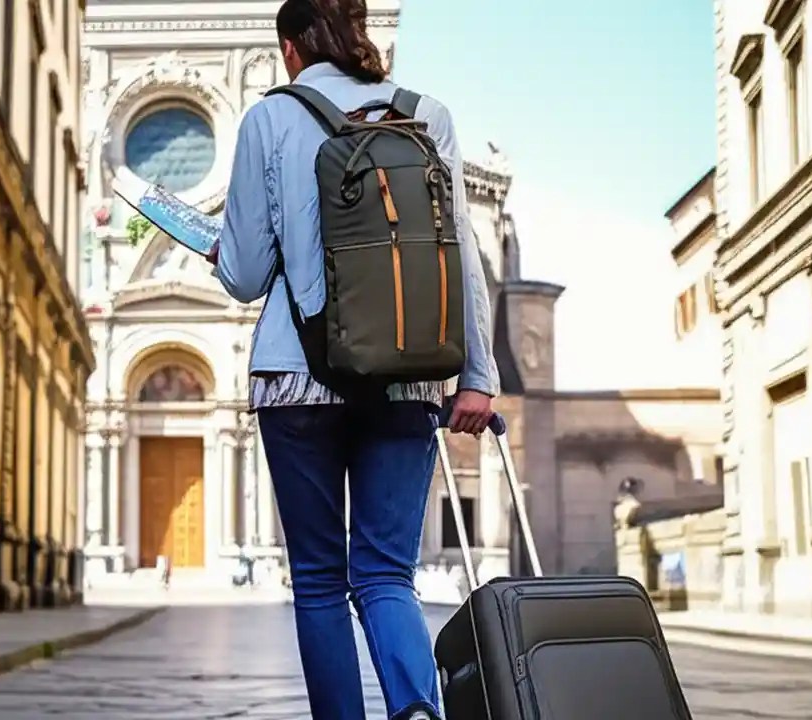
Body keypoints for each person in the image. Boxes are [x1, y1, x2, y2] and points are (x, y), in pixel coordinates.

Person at [206, 1, 500, 718]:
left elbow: (245, 276)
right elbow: (462, 257)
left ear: (290, 48)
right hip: (408, 379)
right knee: (386, 576)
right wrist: (478, 377)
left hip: (295, 378)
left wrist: (225, 251)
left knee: (317, 580)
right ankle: (418, 711)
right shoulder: (428, 114)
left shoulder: (269, 119)